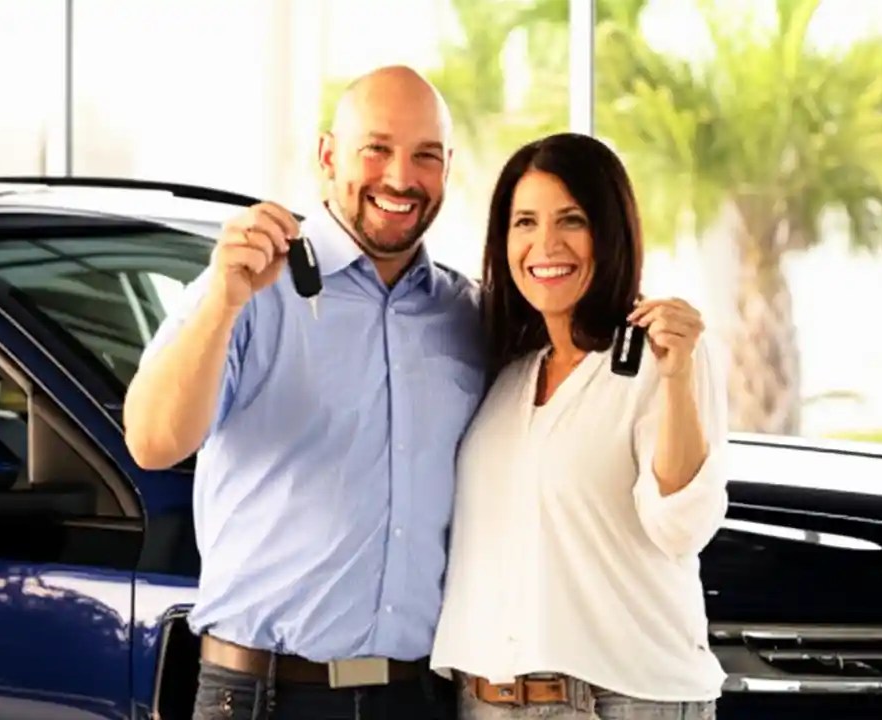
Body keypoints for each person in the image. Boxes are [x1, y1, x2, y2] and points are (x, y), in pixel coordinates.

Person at [123, 65, 485, 719]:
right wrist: (223, 301)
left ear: (448, 167)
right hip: (261, 697)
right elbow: (152, 441)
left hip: (417, 697)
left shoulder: (465, 315)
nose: (401, 178)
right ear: (327, 156)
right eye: (376, 149)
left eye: (425, 156)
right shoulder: (249, 288)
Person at [430, 132, 729, 720]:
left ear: (610, 231)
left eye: (572, 220)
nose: (546, 244)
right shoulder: (512, 369)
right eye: (525, 222)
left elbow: (682, 525)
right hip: (488, 702)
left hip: (616, 702)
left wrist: (675, 379)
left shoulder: (659, 355)